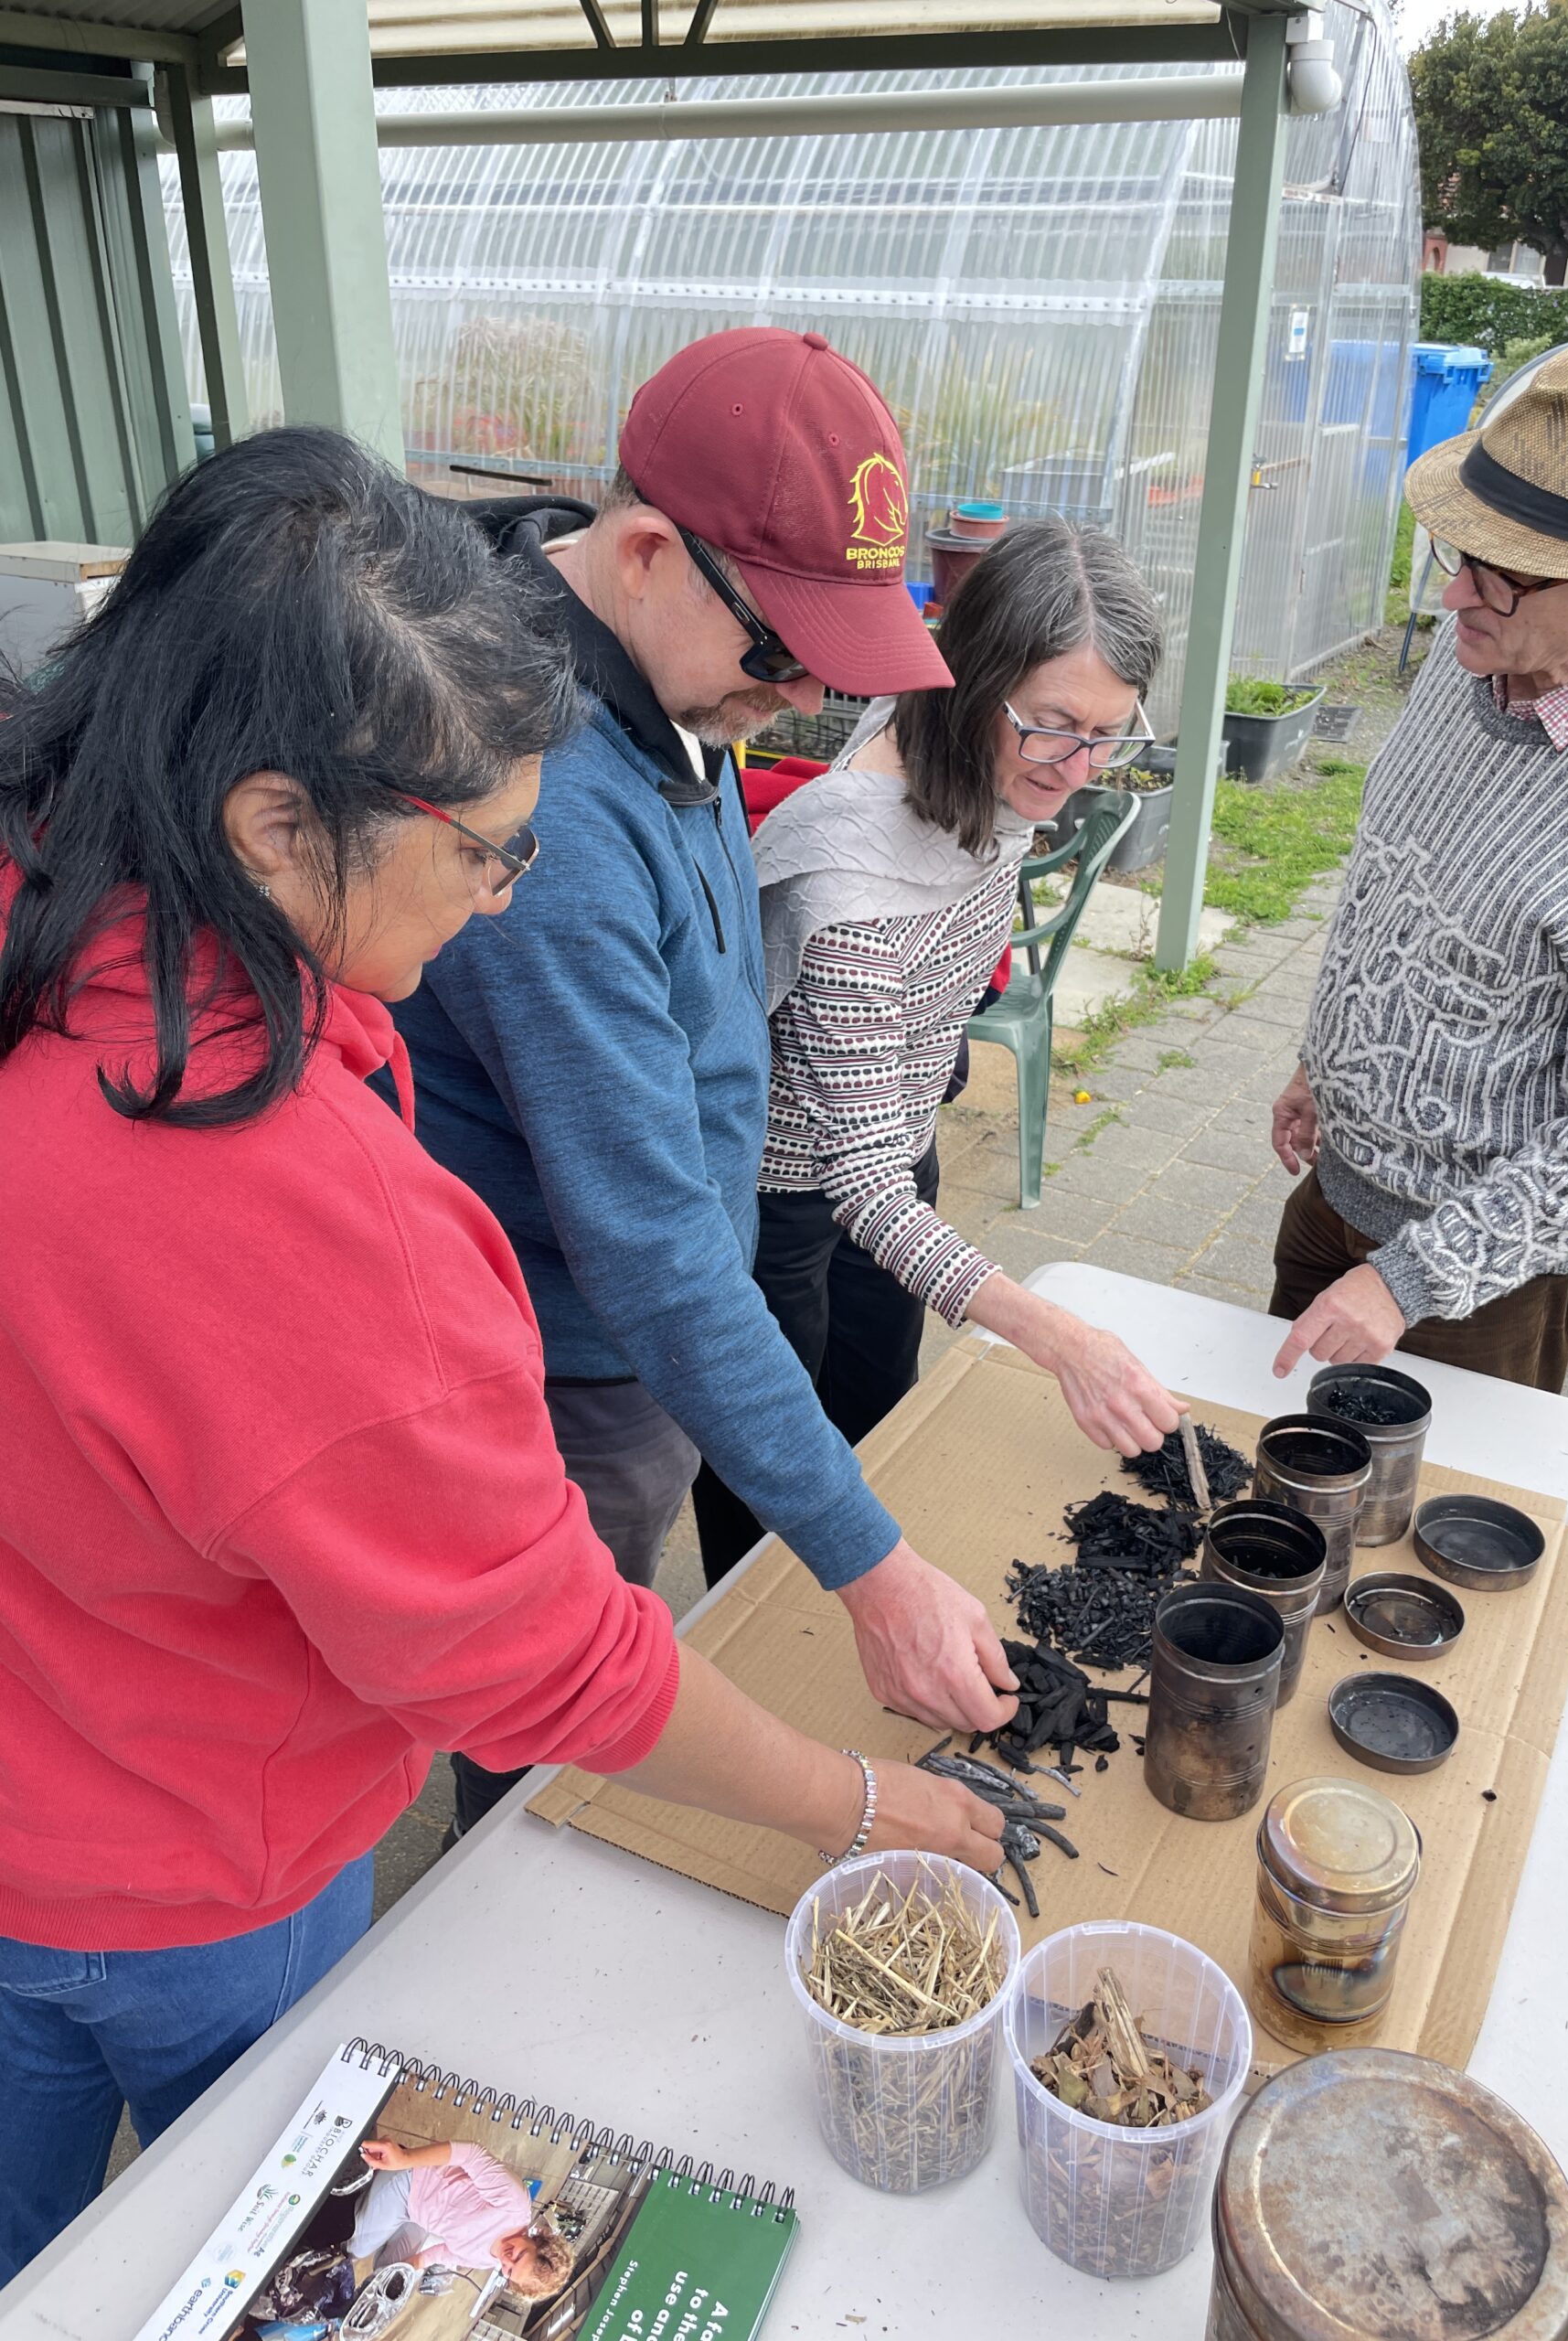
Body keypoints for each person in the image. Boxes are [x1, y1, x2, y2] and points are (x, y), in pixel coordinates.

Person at [0, 428, 999, 2284]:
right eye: (482, 850)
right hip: (186, 1866)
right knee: (257, 2245)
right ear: (276, 824)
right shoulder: (271, 1204)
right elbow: (541, 1652)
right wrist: (860, 1801)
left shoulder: (61, 895)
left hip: (39, 1747)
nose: (509, 894)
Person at [392, 326, 1019, 1840]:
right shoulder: (538, 805)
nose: (799, 694)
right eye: (780, 650)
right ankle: (510, 1905)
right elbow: (655, 1255)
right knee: (551, 1717)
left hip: (653, 1300)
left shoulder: (659, 661)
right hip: (570, 1348)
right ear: (653, 552)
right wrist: (868, 1565)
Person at [693, 519, 1187, 1582]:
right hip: (784, 1204)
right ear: (970, 686)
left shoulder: (979, 757)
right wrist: (1058, 1338)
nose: (1080, 767)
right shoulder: (850, 881)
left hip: (897, 1162)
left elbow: (889, 1174)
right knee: (774, 1487)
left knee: (879, 1434)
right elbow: (856, 1185)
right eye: (1055, 726)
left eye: (1111, 733)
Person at [1267, 337, 1568, 1392]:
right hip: (1332, 1192)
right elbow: (1390, 886)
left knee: (1414, 1543)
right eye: (1456, 555)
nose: (1453, 601)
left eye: (1496, 572)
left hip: (1479, 1289)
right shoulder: (1478, 645)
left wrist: (1410, 1278)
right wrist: (1325, 1059)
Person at [348, 2137, 570, 2294]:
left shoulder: (488, 2260)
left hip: (420, 2216)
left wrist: (413, 2264)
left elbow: (445, 2254)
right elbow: (471, 2154)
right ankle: (359, 2178)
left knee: (386, 2276)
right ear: (537, 2241)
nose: (506, 2258)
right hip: (410, 2181)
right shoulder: (514, 2205)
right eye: (520, 2255)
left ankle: (371, 2208)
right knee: (356, 2249)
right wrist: (405, 2158)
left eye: (509, 2270)